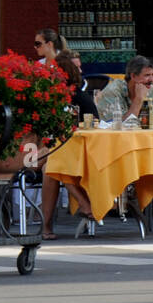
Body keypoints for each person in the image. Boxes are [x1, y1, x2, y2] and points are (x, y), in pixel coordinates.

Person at [41, 51, 96, 239]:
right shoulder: (47, 97)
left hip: (74, 152)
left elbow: (94, 126)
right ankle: (83, 203)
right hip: (35, 151)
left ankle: (46, 227)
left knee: (52, 167)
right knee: (53, 162)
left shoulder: (78, 98)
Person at [98, 55, 153, 126]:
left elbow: (148, 123)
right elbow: (120, 126)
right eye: (147, 75)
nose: (151, 79)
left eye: (152, 75)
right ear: (133, 76)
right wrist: (138, 100)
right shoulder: (112, 92)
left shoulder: (150, 90)